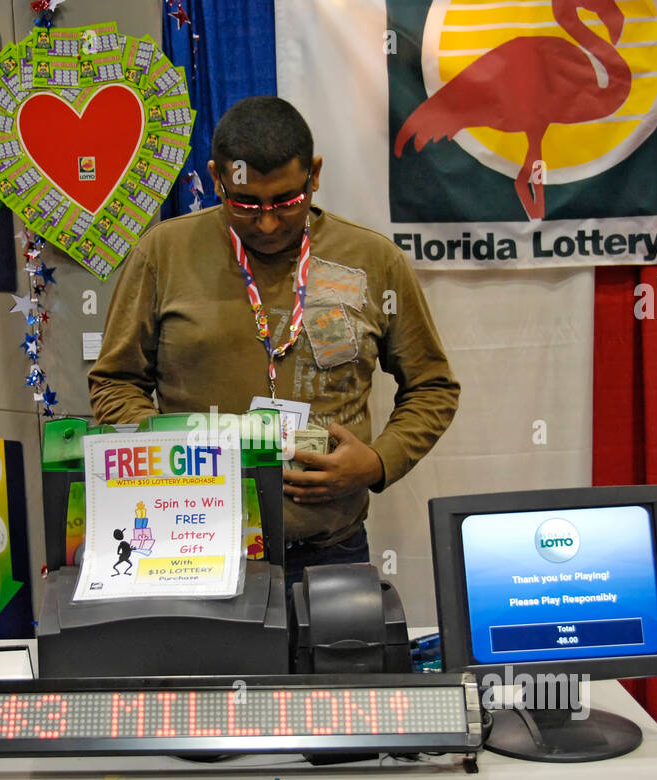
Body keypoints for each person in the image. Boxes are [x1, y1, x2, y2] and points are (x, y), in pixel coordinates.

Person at [88, 96, 459, 590]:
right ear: (216, 177)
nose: (266, 222)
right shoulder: (163, 254)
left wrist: (377, 460)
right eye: (245, 204)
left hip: (331, 551)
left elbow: (433, 387)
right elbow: (113, 383)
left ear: (315, 175)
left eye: (286, 201)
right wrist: (174, 458)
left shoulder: (373, 260)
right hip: (194, 548)